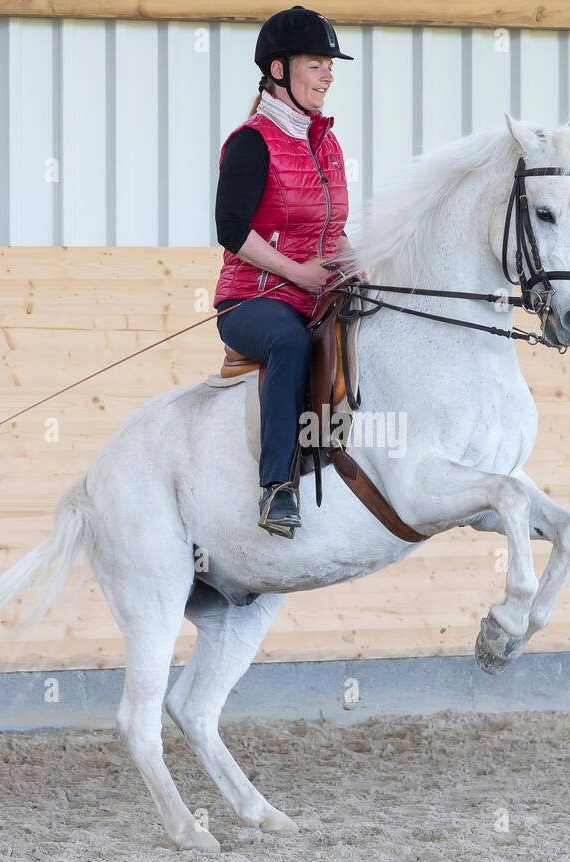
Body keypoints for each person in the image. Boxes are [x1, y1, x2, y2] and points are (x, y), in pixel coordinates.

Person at [213, 5, 356, 537]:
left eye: (329, 65)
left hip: (313, 289)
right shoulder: (251, 141)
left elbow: (330, 226)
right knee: (291, 344)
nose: (328, 75)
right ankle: (277, 486)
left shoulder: (326, 141)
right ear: (278, 71)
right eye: (316, 64)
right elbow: (232, 230)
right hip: (252, 301)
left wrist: (355, 261)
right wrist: (299, 273)